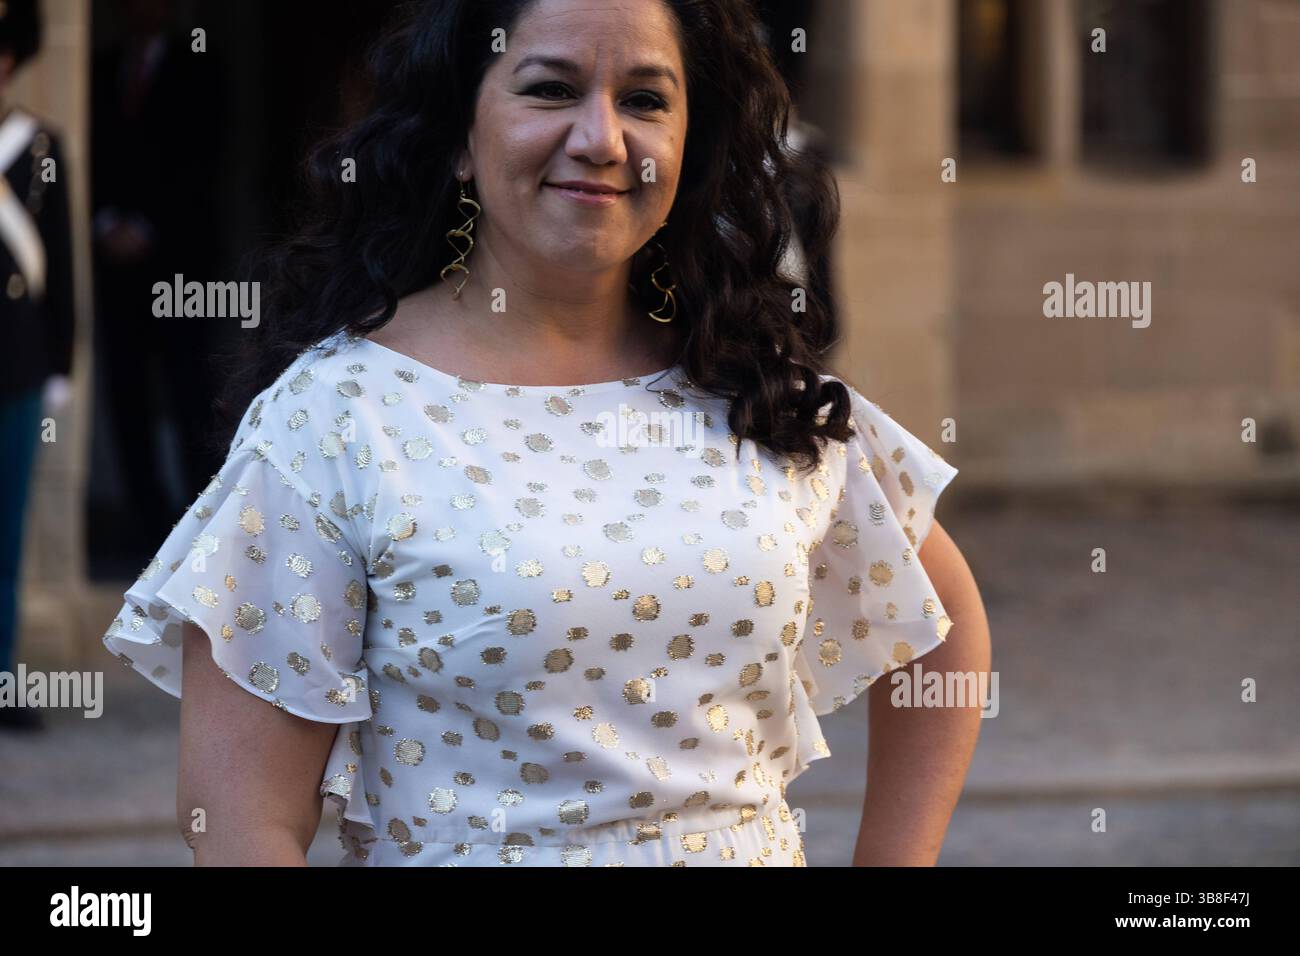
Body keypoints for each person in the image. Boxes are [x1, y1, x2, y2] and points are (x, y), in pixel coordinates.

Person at [104, 0, 989, 866]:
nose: (601, 138)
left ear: (692, 143)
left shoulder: (755, 389)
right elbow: (237, 820)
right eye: (551, 89)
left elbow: (942, 622)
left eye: (645, 100)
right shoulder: (338, 418)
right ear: (459, 135)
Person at [0, 0, 74, 732]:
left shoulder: (41, 144)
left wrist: (61, 365)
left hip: (17, 363)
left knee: (6, 534)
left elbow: (62, 260)